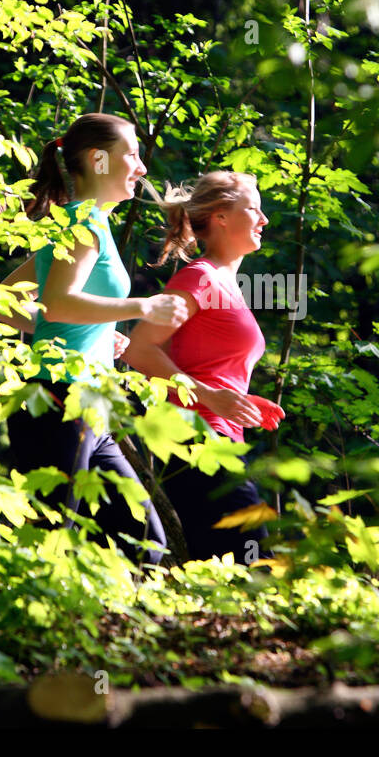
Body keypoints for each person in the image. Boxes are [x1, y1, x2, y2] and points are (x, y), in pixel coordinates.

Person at [0, 112, 188, 565]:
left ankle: (102, 629)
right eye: (132, 155)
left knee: (145, 544)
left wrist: (96, 328)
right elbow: (56, 303)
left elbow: (3, 305)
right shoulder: (78, 222)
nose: (141, 167)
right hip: (57, 403)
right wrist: (139, 307)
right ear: (99, 161)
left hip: (89, 406)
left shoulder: (90, 223)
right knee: (49, 545)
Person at [122, 170, 286, 562]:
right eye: (254, 209)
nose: (264, 219)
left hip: (220, 435)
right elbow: (138, 349)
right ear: (221, 216)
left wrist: (240, 400)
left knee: (222, 561)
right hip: (194, 435)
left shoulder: (225, 283)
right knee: (253, 556)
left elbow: (206, 363)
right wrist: (211, 396)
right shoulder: (199, 278)